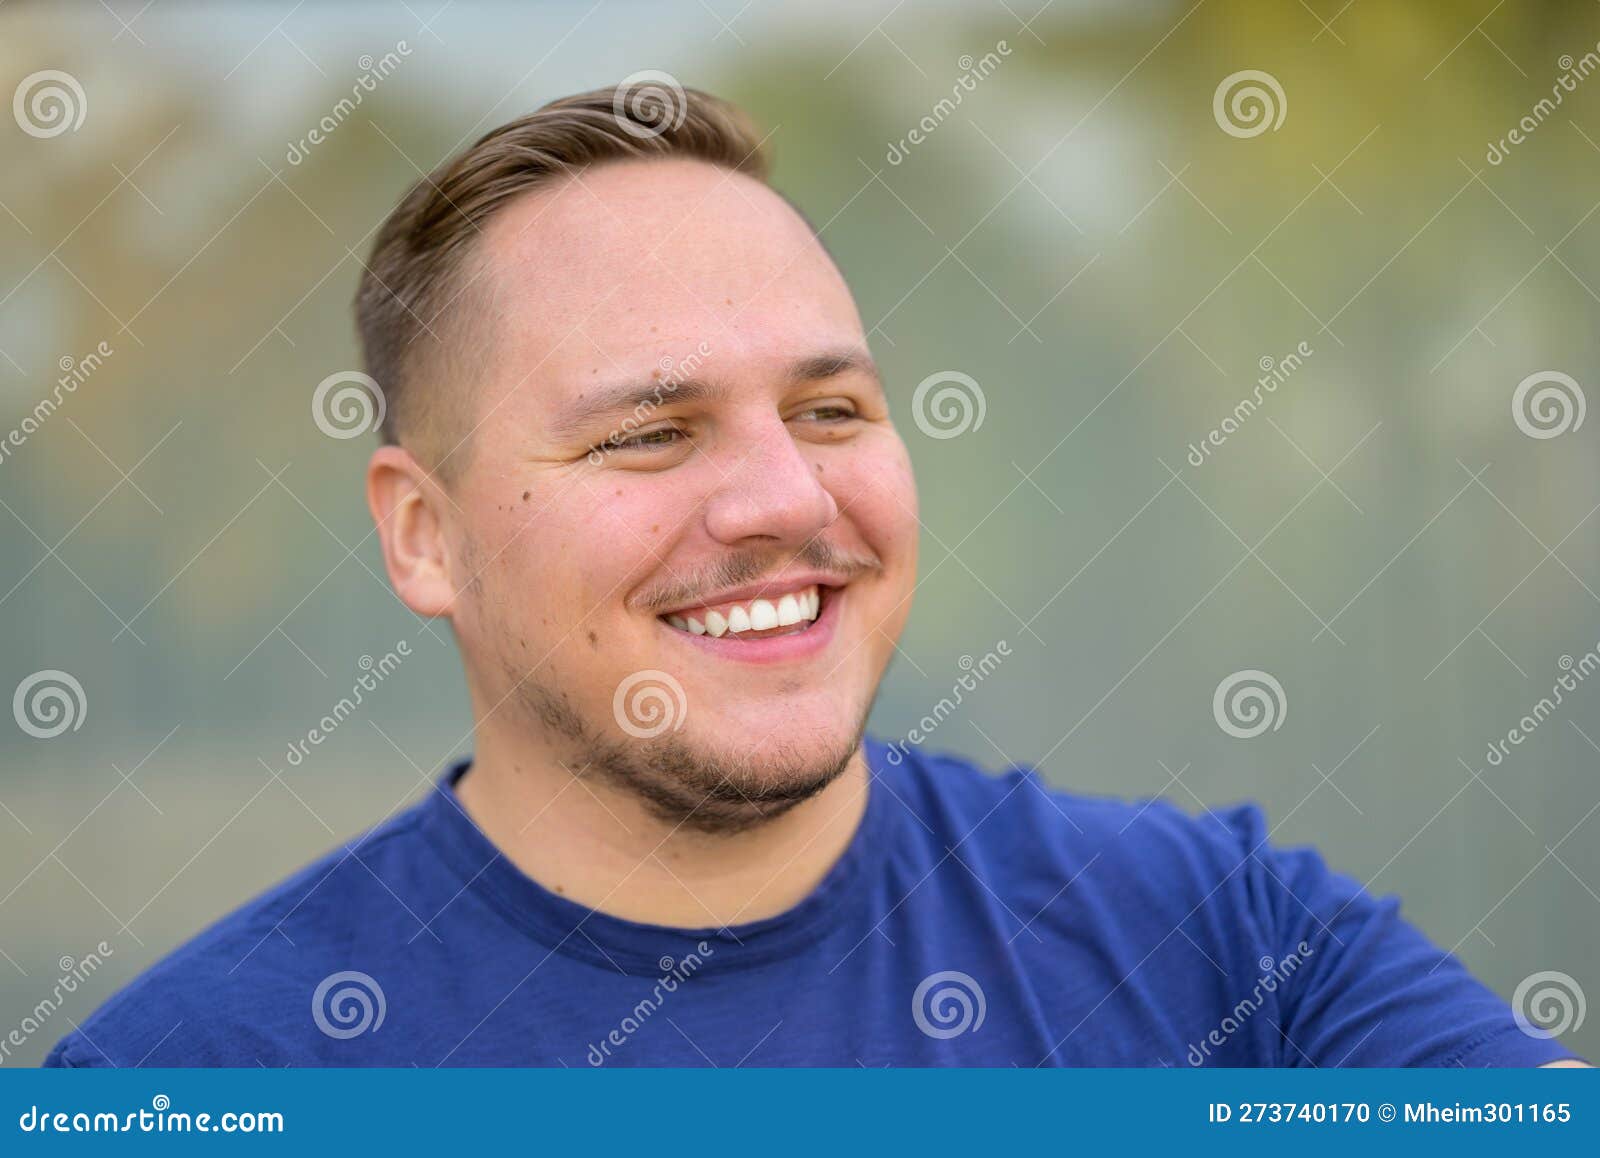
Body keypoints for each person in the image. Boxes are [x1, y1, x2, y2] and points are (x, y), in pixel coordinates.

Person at [47, 83, 1584, 1068]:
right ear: (421, 534)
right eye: (652, 433)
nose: (788, 499)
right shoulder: (205, 1079)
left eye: (832, 410)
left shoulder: (1236, 961)